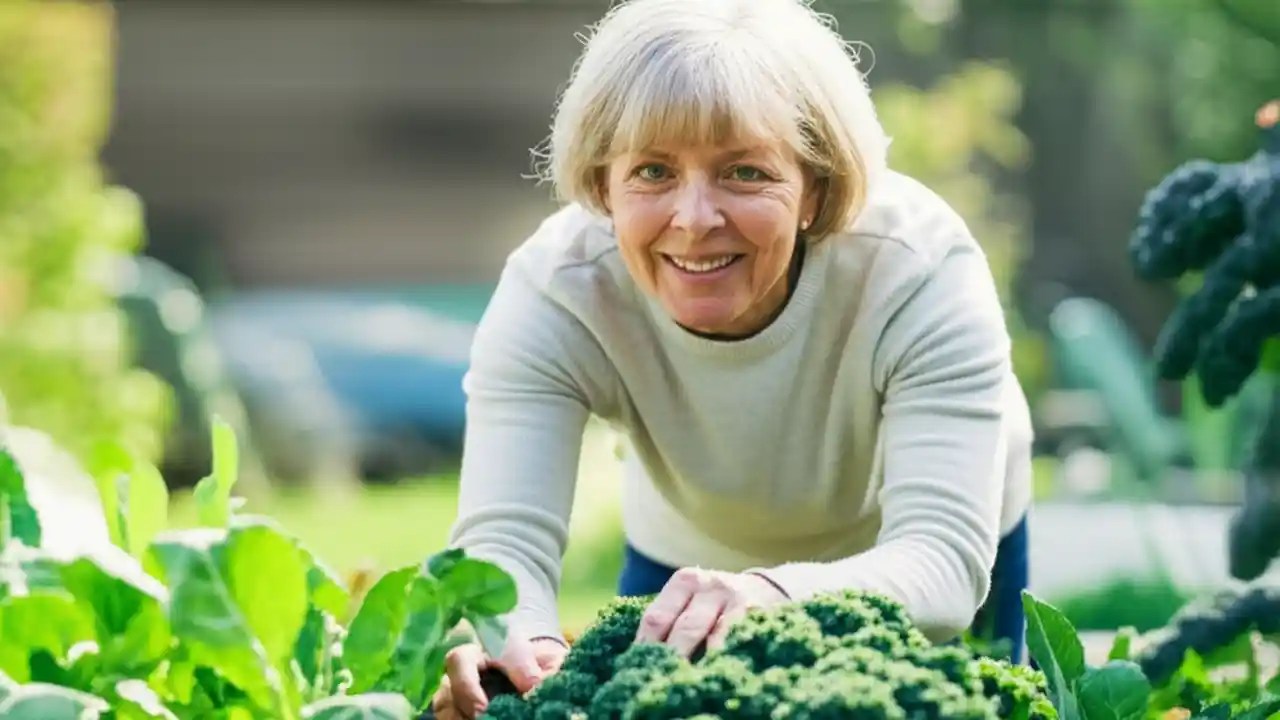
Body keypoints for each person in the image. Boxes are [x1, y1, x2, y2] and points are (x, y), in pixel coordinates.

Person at [431, 0, 1034, 716]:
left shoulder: (918, 271)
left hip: (919, 564)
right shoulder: (558, 292)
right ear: (602, 185)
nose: (693, 220)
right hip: (688, 556)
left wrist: (773, 595)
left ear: (816, 186)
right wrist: (521, 646)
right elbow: (503, 541)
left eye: (744, 172)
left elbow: (939, 563)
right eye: (652, 172)